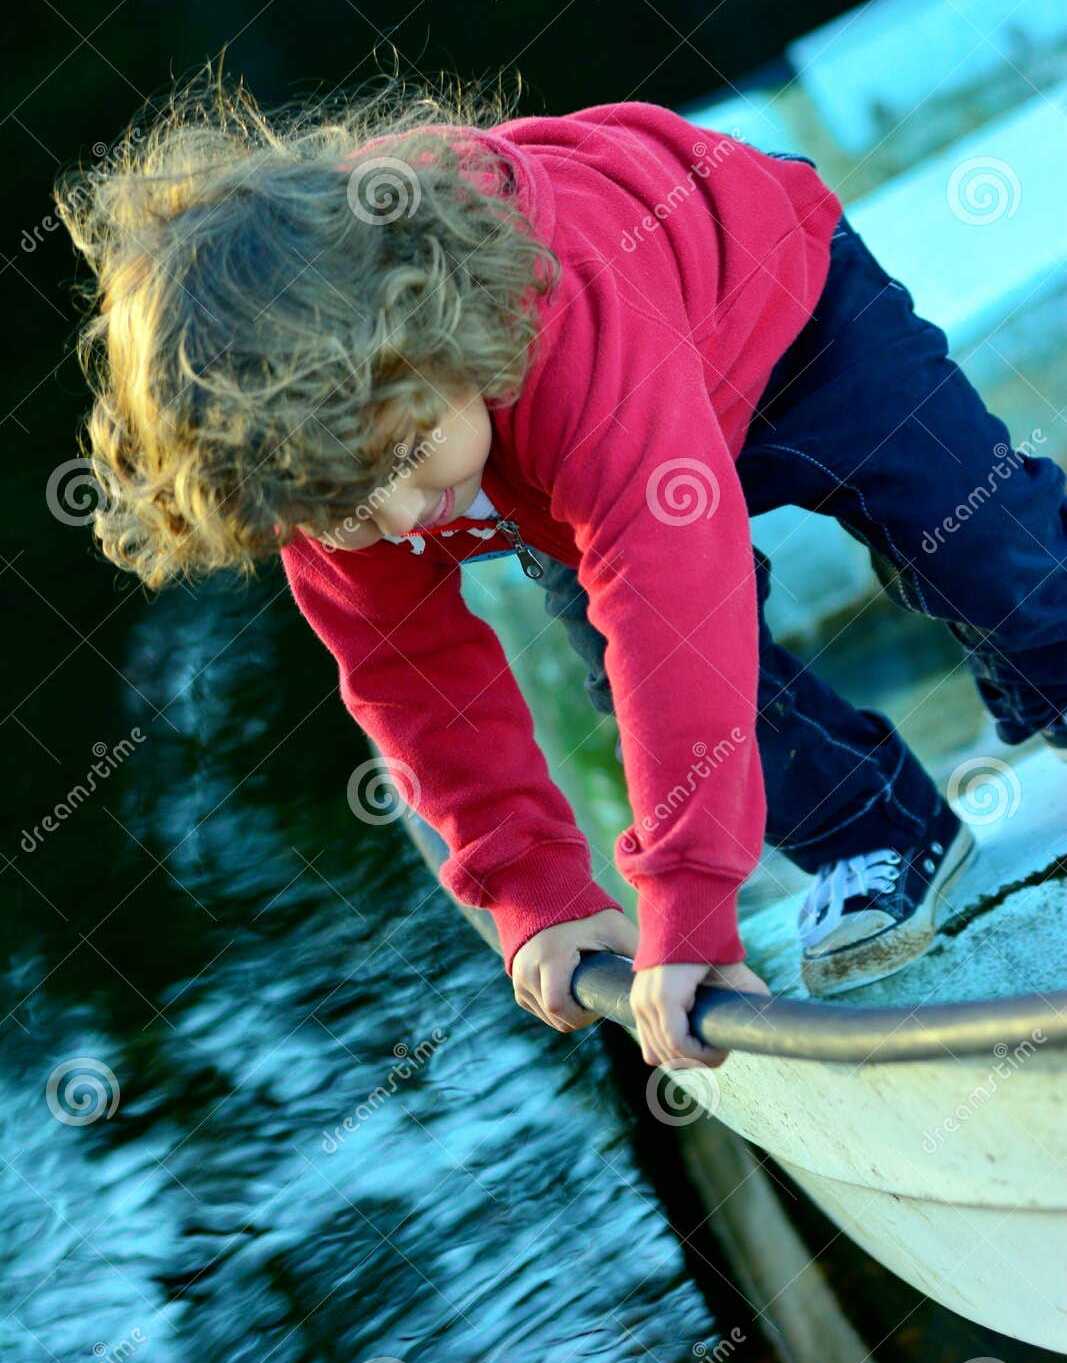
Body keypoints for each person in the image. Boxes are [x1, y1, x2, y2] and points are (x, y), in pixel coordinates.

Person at [54, 72, 1067, 1075]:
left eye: (408, 455)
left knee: (982, 543)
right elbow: (413, 684)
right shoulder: (318, 452)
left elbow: (678, 609)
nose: (404, 519)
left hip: (786, 314)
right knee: (618, 676)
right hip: (552, 474)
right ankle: (875, 831)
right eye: (347, 507)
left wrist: (685, 901)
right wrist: (532, 890)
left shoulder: (560, 310)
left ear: (437, 339)